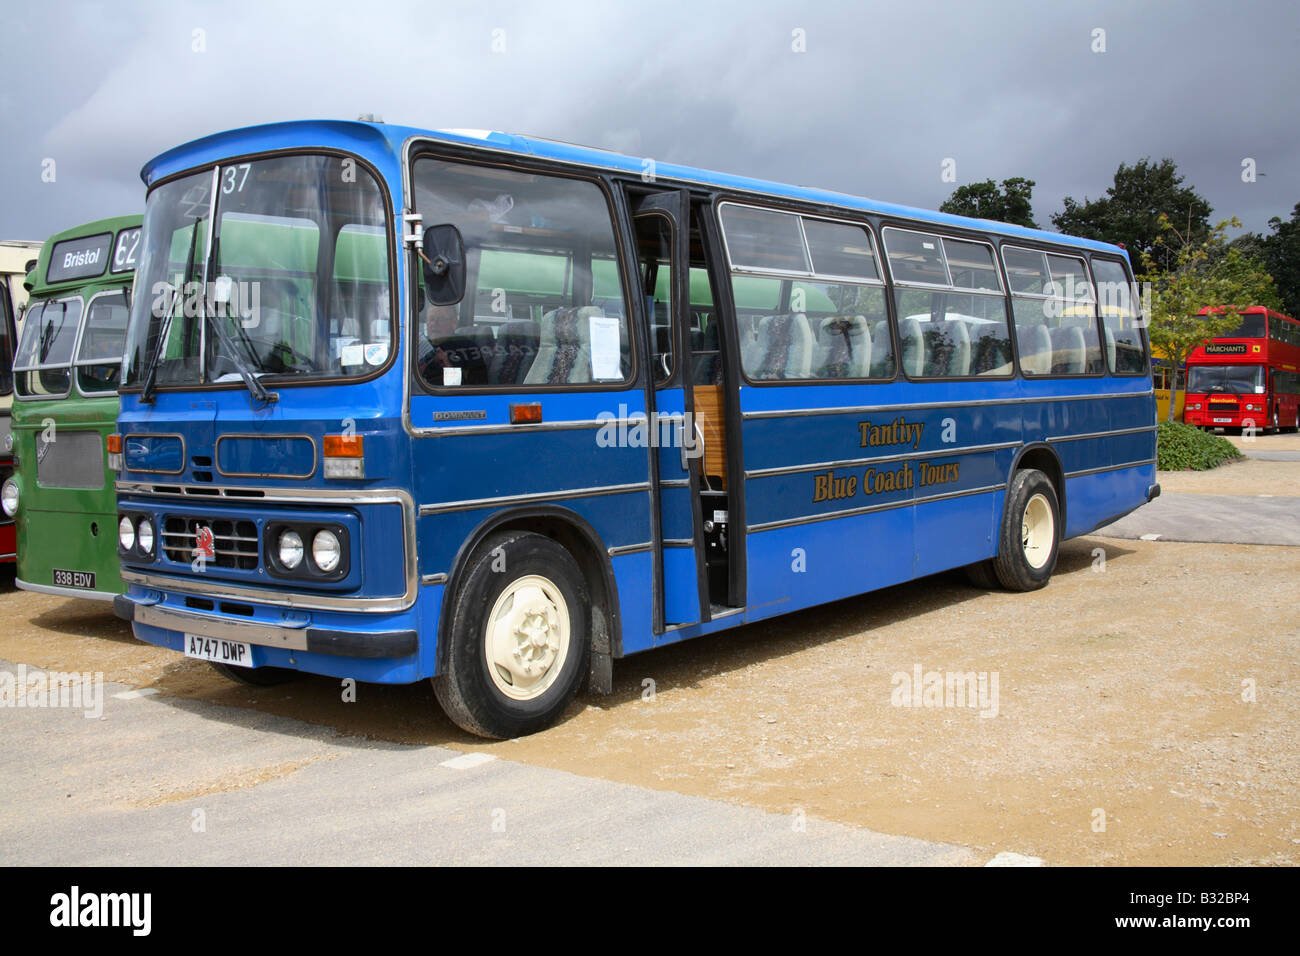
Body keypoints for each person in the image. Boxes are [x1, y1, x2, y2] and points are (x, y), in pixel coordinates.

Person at [418, 301, 488, 385]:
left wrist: (447, 364)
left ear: (453, 323)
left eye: (440, 319)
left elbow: (478, 385)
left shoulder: (468, 348)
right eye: (431, 319)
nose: (434, 323)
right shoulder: (419, 346)